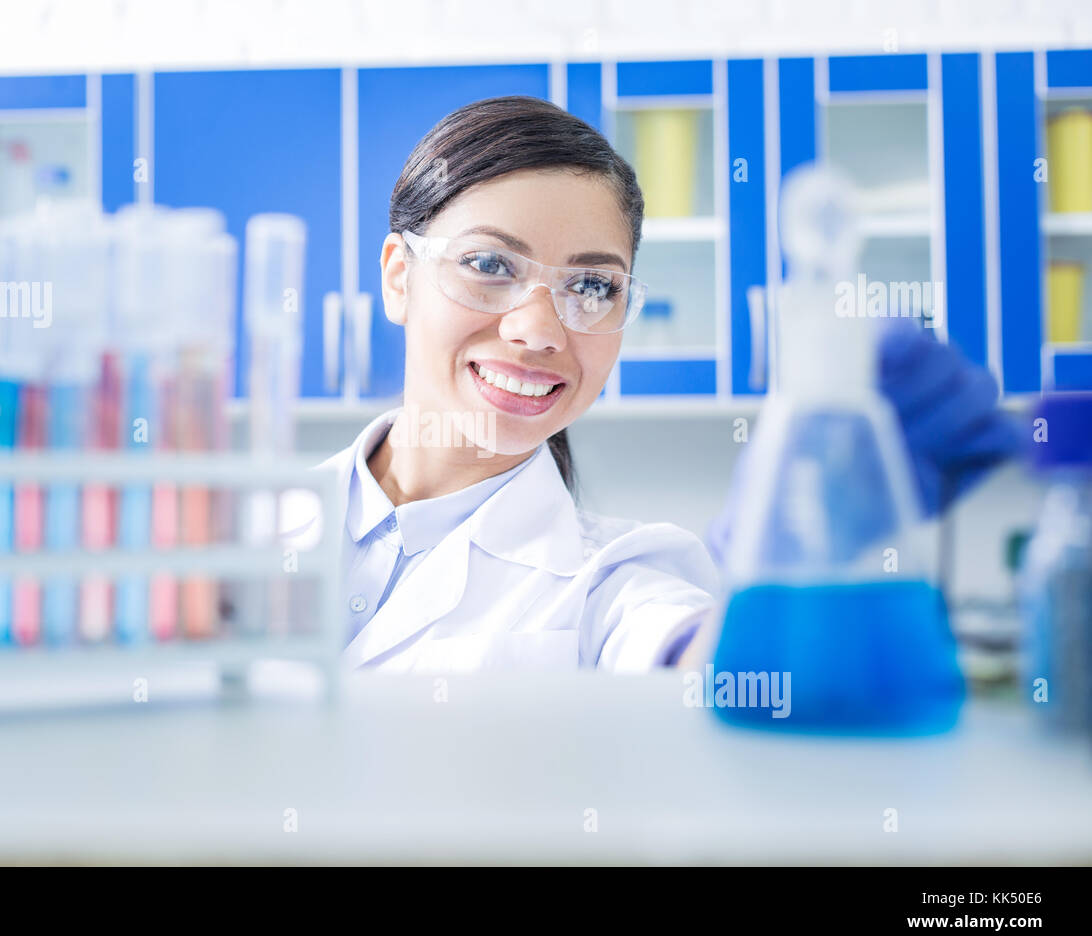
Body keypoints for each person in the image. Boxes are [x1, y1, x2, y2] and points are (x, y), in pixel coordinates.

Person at [293, 95, 1023, 673]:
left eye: (591, 285)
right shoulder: (249, 525)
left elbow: (700, 660)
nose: (539, 329)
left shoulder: (617, 577)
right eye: (490, 266)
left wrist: (781, 563)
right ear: (398, 277)